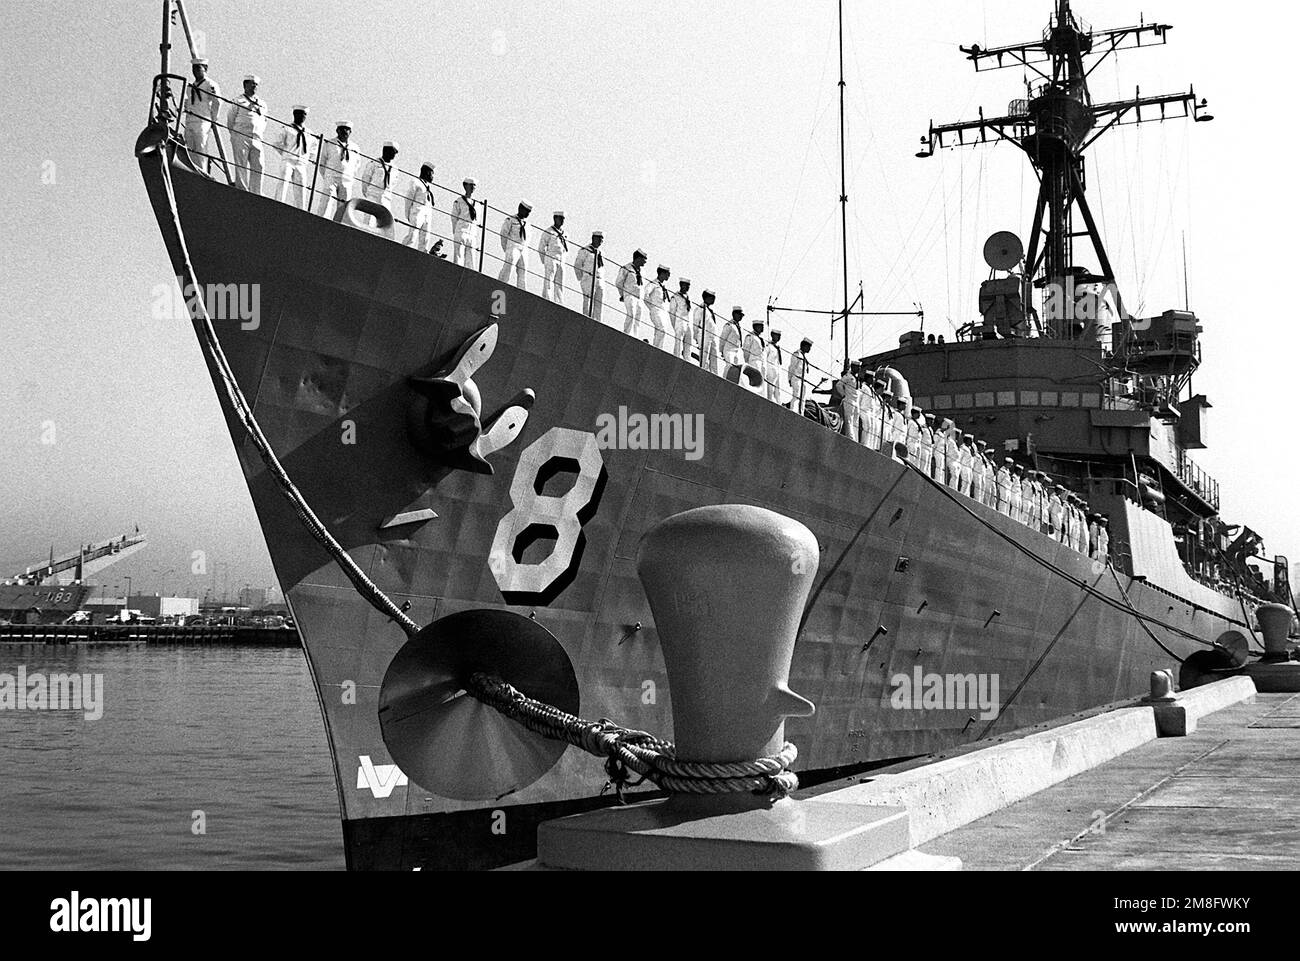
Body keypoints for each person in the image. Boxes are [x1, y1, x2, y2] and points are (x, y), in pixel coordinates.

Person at [228, 74, 267, 194]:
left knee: (259, 165)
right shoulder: (238, 100)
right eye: (252, 83)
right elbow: (231, 119)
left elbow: (265, 120)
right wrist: (235, 134)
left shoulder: (262, 104)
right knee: (241, 163)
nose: (254, 86)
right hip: (241, 135)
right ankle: (242, 189)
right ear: (245, 85)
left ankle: (256, 191)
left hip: (256, 137)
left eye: (256, 84)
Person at [182, 57, 221, 172]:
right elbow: (188, 103)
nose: (196, 71)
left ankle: (201, 171)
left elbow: (217, 102)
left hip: (202, 119)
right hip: (190, 120)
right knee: (190, 147)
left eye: (198, 68)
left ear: (205, 69)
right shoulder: (190, 87)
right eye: (194, 68)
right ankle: (192, 170)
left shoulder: (210, 84)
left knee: (201, 147)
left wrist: (213, 119)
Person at [274, 105, 313, 209]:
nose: (302, 116)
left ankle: (301, 209)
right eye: (299, 114)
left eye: (304, 114)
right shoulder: (286, 128)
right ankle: (278, 204)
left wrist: (305, 158)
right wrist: (286, 154)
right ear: (294, 114)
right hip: (288, 160)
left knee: (301, 187)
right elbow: (277, 143)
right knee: (283, 182)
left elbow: (313, 149)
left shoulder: (309, 133)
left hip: (301, 163)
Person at [316, 120, 357, 217]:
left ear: (350, 132)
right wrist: (327, 176)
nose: (344, 131)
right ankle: (322, 220)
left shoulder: (355, 148)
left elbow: (356, 166)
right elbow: (322, 162)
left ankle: (340, 223)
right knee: (327, 200)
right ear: (337, 130)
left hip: (346, 180)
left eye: (347, 129)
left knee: (344, 206)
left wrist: (349, 178)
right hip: (331, 177)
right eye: (342, 129)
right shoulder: (329, 143)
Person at [497, 201, 532, 289]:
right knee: (509, 265)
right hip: (513, 245)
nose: (528, 213)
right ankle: (501, 285)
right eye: (526, 211)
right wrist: (507, 249)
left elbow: (528, 238)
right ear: (520, 209)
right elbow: (503, 235)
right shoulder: (511, 220)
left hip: (523, 248)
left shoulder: (527, 224)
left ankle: (522, 291)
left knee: (523, 271)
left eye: (529, 212)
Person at [572, 230, 606, 320]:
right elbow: (577, 265)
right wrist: (582, 278)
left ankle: (598, 321)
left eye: (601, 240)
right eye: (598, 239)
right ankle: (586, 318)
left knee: (599, 303)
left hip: (599, 279)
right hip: (589, 278)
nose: (600, 241)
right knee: (588, 301)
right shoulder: (585, 250)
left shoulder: (601, 253)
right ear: (593, 238)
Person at [615, 250, 648, 338]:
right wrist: (622, 295)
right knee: (631, 314)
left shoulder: (643, 272)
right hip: (629, 295)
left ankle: (635, 336)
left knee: (637, 319)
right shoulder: (626, 268)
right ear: (638, 258)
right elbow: (619, 282)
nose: (645, 262)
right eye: (644, 259)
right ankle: (627, 334)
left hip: (639, 298)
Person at [405, 160, 437, 250]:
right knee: (412, 235)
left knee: (425, 238)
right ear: (427, 172)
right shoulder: (416, 182)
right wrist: (408, 214)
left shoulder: (427, 187)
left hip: (427, 213)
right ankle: (404, 250)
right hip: (417, 211)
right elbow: (408, 199)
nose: (433, 177)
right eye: (432, 173)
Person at [360, 141, 400, 212]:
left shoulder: (395, 169)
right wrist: (368, 193)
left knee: (384, 220)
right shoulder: (374, 163)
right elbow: (365, 179)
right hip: (373, 195)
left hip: (385, 198)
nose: (394, 154)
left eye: (395, 152)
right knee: (369, 220)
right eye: (392, 152)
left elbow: (393, 183)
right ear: (385, 151)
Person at [538, 211, 568, 302]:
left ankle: (559, 301)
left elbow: (566, 249)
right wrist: (545, 260)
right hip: (551, 257)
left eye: (563, 219)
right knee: (549, 280)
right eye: (560, 219)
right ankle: (547, 298)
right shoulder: (549, 232)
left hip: (561, 259)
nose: (562, 221)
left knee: (560, 282)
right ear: (555, 219)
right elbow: (541, 248)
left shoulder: (564, 233)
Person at [644, 265, 674, 351]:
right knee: (662, 329)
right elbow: (645, 294)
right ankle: (656, 349)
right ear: (662, 273)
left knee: (661, 331)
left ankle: (658, 348)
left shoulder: (663, 287)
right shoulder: (653, 284)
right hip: (656, 310)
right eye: (667, 274)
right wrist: (652, 307)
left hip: (663, 312)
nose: (669, 276)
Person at [451, 178, 479, 267]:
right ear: (465, 186)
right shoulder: (459, 201)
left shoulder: (477, 204)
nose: (473, 187)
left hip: (472, 233)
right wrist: (456, 232)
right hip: (461, 230)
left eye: (474, 185)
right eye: (470, 185)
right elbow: (454, 217)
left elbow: (477, 220)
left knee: (471, 262)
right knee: (458, 258)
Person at [695, 290, 722, 373]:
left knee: (714, 358)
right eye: (712, 298)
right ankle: (702, 372)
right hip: (704, 335)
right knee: (704, 357)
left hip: (713, 336)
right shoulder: (700, 309)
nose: (713, 300)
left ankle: (714, 374)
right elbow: (696, 324)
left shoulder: (710, 311)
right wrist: (696, 337)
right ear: (707, 298)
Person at [669, 278, 694, 361]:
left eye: (688, 286)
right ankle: (677, 358)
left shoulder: (688, 298)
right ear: (681, 285)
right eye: (685, 285)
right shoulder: (675, 297)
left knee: (688, 343)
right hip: (680, 322)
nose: (687, 287)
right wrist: (675, 325)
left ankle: (687, 360)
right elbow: (672, 312)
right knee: (678, 342)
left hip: (688, 323)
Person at [789, 337, 814, 411]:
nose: (809, 349)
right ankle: (793, 412)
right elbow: (791, 367)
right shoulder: (797, 354)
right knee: (796, 397)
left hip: (803, 380)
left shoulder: (803, 356)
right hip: (797, 379)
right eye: (808, 347)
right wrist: (790, 379)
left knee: (803, 400)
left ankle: (801, 414)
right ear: (803, 346)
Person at [766, 329, 789, 405]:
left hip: (777, 370)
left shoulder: (777, 347)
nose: (778, 337)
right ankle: (769, 401)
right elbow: (765, 358)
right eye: (777, 335)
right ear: (772, 335)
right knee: (770, 388)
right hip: (771, 369)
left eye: (779, 336)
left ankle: (778, 403)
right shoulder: (768, 346)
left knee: (778, 389)